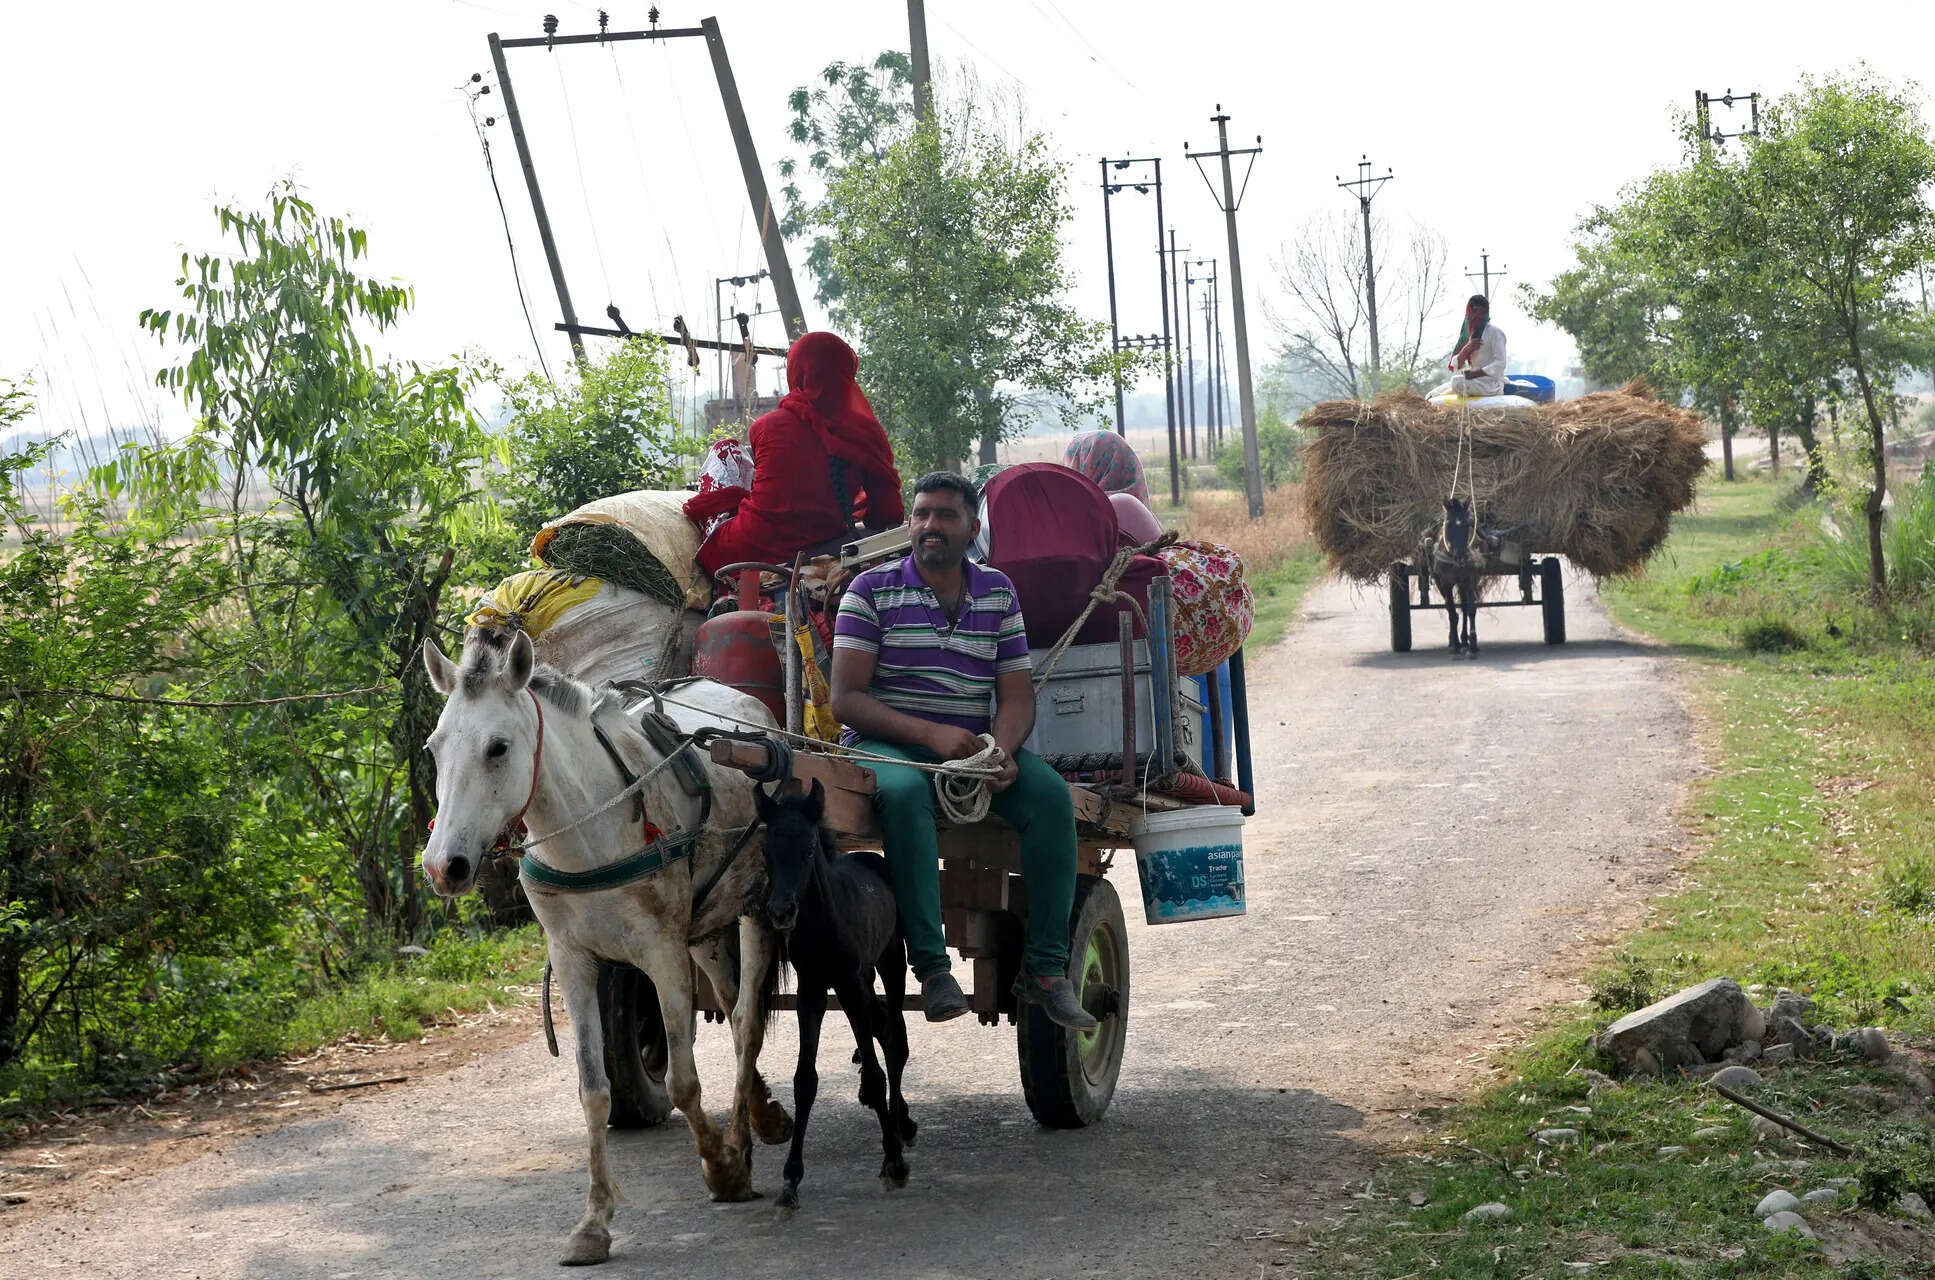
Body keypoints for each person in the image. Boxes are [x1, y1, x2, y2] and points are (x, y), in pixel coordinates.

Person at [830, 472, 1097, 1030]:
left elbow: (1018, 695)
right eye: (922, 514)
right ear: (909, 524)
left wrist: (1001, 750)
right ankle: (931, 968)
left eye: (946, 515)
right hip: (887, 745)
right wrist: (931, 737)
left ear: (972, 528)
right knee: (902, 793)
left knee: (1051, 798)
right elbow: (846, 701)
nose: (932, 525)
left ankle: (1046, 970)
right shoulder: (870, 591)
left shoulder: (997, 591)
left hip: (972, 749)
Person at [686, 331, 904, 578]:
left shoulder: (765, 427)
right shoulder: (867, 432)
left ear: (796, 371)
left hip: (746, 553)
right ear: (845, 372)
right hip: (825, 546)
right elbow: (889, 513)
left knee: (724, 449)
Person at [1447, 294, 1508, 398]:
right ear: (1469, 312)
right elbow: (1457, 366)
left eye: (1481, 313)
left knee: (1456, 382)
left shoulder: (1495, 332)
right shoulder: (1469, 335)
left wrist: (1475, 374)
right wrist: (1466, 349)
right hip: (1474, 382)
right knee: (1453, 382)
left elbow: (1501, 363)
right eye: (1474, 311)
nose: (1477, 316)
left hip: (1491, 385)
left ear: (1486, 312)